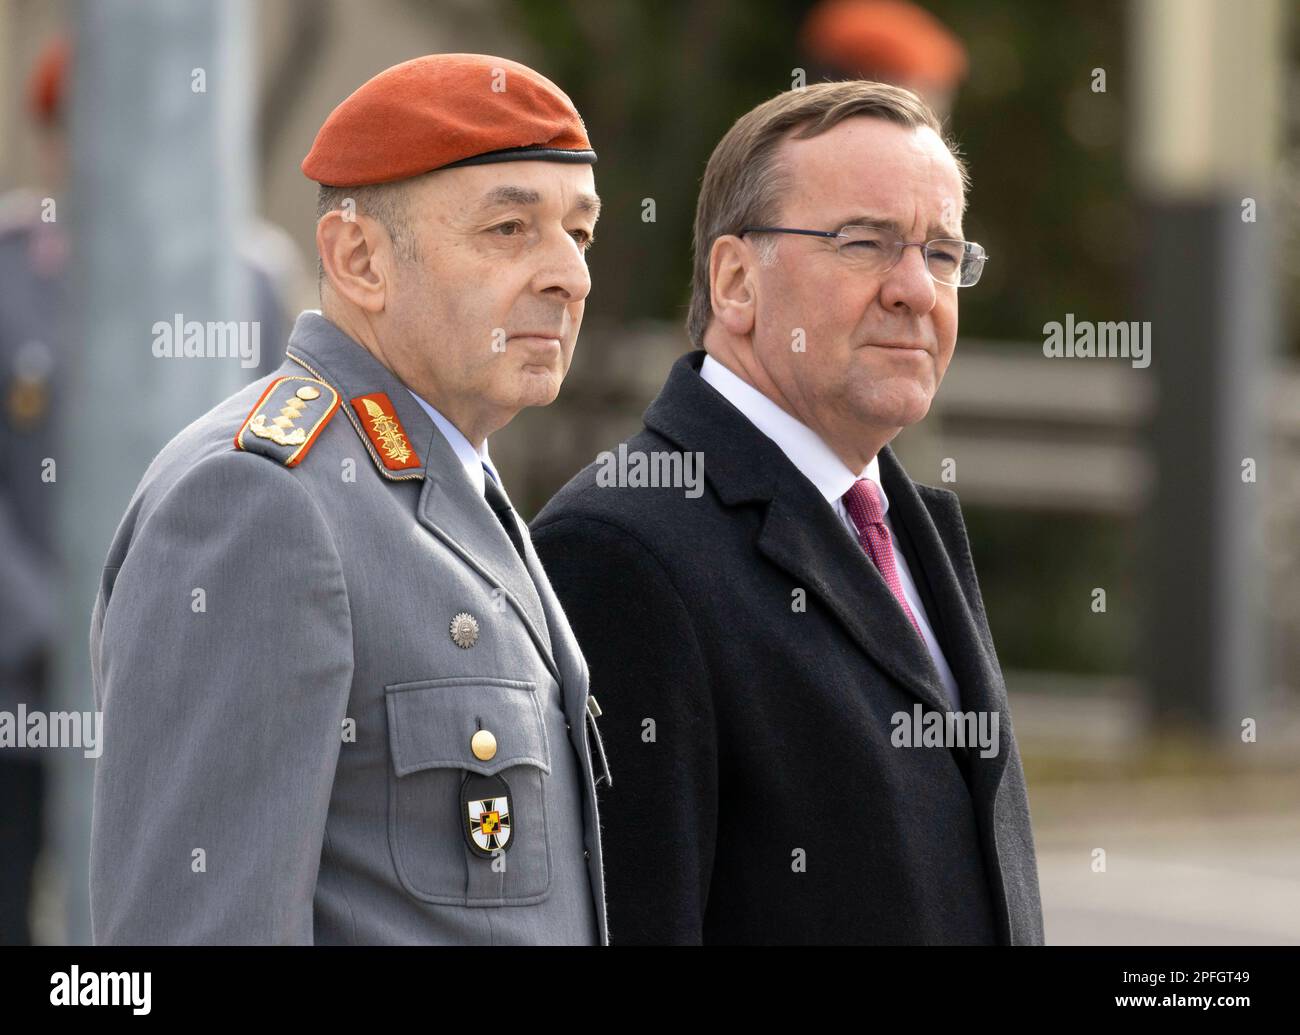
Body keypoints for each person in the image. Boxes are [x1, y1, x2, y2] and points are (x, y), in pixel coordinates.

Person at [89, 53, 609, 945]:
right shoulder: (258, 500)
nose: (571, 275)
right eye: (510, 228)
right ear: (359, 257)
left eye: (581, 232)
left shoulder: (448, 478)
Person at [532, 80, 1044, 944]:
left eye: (944, 254)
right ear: (736, 280)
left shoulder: (909, 525)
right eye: (865, 242)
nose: (917, 290)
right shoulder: (619, 548)